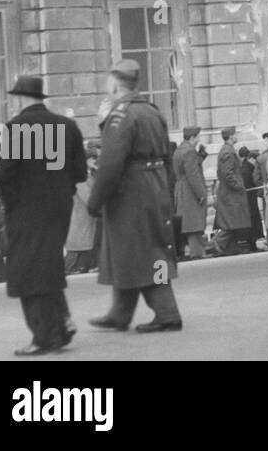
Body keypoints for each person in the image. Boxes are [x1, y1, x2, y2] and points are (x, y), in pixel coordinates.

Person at [0, 74, 88, 356]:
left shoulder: (18, 127)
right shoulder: (67, 126)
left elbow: (3, 173)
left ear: (19, 98)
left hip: (26, 208)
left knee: (26, 271)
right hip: (59, 207)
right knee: (48, 263)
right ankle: (62, 322)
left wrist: (12, 202)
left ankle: (45, 337)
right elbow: (79, 172)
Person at [86, 59, 182, 334]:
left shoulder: (121, 115)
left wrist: (95, 201)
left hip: (130, 191)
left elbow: (110, 164)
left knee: (142, 251)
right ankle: (120, 312)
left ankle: (167, 313)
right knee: (139, 249)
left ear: (115, 84)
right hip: (155, 184)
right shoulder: (152, 111)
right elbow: (167, 155)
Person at [213, 128, 256, 255]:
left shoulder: (227, 150)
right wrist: (239, 186)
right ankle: (219, 241)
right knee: (233, 221)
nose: (237, 136)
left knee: (234, 221)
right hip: (231, 194)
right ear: (231, 136)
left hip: (229, 193)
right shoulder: (228, 152)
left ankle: (231, 247)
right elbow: (227, 174)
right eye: (235, 134)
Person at [171, 126, 207, 260]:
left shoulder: (180, 150)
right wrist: (201, 194)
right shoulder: (190, 152)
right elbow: (193, 175)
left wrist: (201, 156)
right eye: (198, 136)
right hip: (189, 190)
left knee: (188, 221)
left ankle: (191, 250)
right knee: (194, 222)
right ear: (192, 137)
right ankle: (196, 251)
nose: (199, 139)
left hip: (181, 189)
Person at [64, 141, 100, 274]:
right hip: (80, 219)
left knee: (82, 248)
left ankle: (76, 268)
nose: (96, 160)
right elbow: (88, 197)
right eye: (93, 158)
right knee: (76, 250)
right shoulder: (80, 177)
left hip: (84, 219)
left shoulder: (87, 174)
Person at [239, 147, 263, 244]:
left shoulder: (243, 167)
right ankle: (252, 242)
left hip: (246, 199)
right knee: (253, 219)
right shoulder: (248, 168)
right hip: (250, 199)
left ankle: (250, 242)